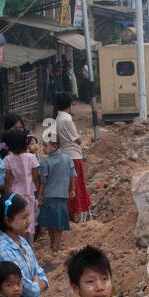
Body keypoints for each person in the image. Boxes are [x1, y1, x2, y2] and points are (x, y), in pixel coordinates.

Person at [53, 92, 91, 223]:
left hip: (63, 155)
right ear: (69, 104)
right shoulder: (67, 120)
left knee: (68, 186)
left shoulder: (57, 119)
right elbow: (78, 140)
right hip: (74, 156)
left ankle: (70, 214)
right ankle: (76, 215)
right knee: (77, 185)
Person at [37, 136, 76, 251]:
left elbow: (43, 182)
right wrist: (72, 189)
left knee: (50, 222)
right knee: (59, 222)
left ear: (54, 147)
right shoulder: (68, 159)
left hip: (49, 195)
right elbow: (73, 175)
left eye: (45, 146)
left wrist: (40, 195)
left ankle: (52, 243)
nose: (43, 149)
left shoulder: (46, 162)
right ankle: (56, 245)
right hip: (62, 196)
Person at [2, 128, 40, 240]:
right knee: (29, 221)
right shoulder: (31, 158)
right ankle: (28, 247)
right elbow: (36, 177)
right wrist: (40, 193)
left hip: (15, 194)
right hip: (29, 193)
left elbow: (7, 180)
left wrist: (6, 195)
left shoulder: (8, 159)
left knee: (18, 220)